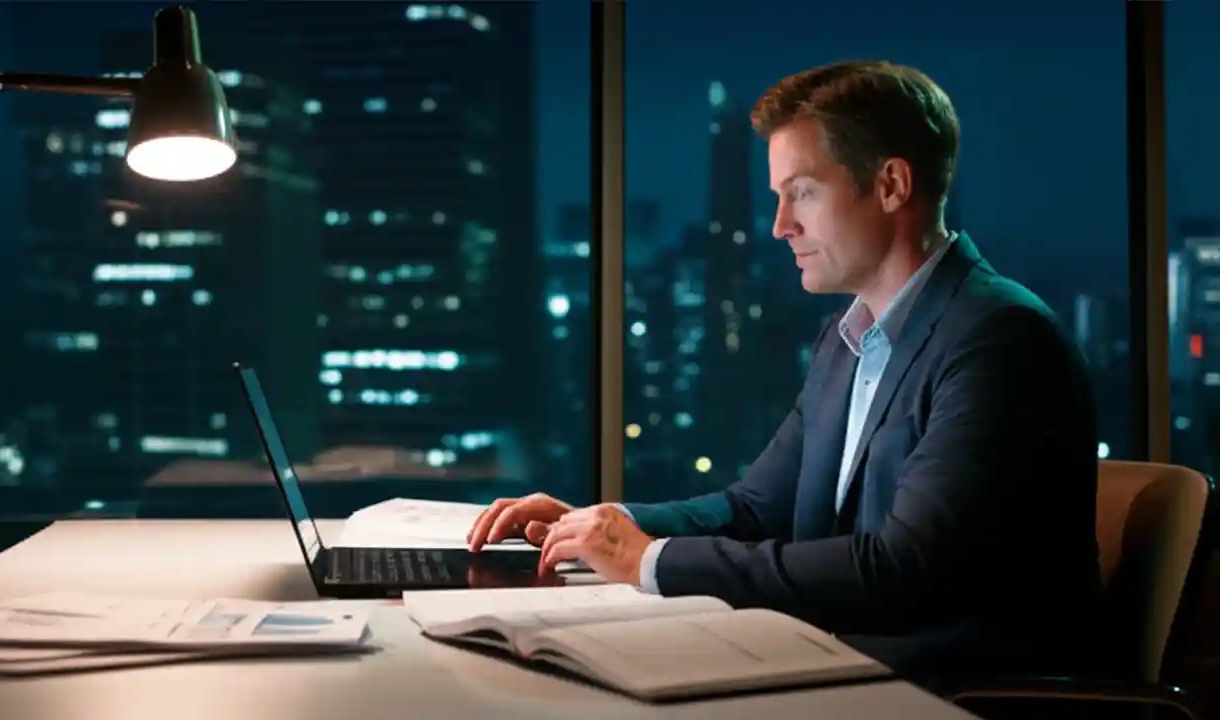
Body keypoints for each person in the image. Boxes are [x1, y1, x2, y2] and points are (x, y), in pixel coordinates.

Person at [467, 60, 1102, 687]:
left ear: (891, 186)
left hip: (956, 691)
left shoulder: (999, 338)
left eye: (802, 193)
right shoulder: (846, 339)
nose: (779, 225)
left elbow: (904, 572)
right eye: (778, 198)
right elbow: (753, 508)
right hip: (846, 664)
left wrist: (649, 560)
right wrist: (605, 524)